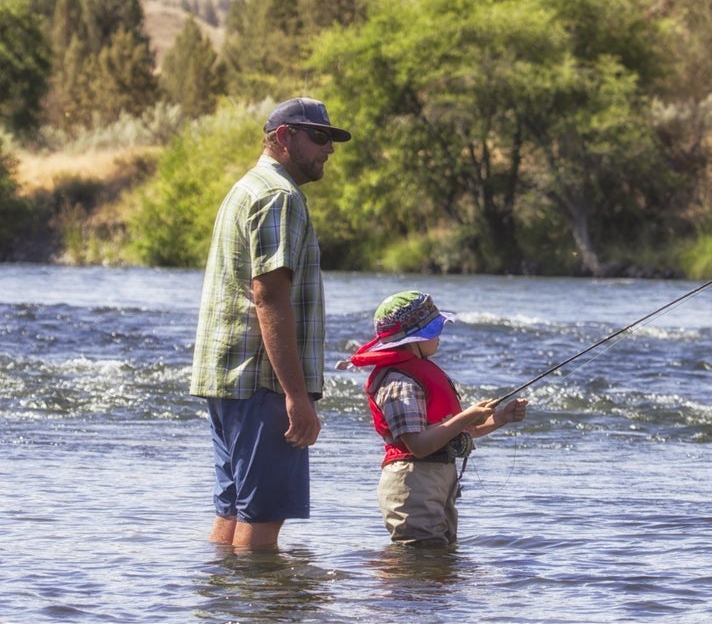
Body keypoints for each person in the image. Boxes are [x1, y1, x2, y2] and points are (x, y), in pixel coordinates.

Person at [189, 97, 351, 550]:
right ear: (284, 137)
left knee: (233, 511)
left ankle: (224, 606)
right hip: (262, 384)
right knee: (262, 521)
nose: (328, 149)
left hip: (227, 380)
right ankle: (266, 613)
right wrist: (296, 397)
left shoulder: (246, 188)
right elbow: (269, 296)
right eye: (319, 137)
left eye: (330, 139)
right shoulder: (279, 196)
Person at [347, 290, 528, 547]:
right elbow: (419, 446)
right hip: (412, 484)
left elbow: (454, 433)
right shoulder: (399, 382)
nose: (439, 336)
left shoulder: (418, 373)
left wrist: (500, 418)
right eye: (433, 331)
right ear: (412, 340)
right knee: (420, 561)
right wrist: (467, 416)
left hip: (437, 482)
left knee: (441, 564)